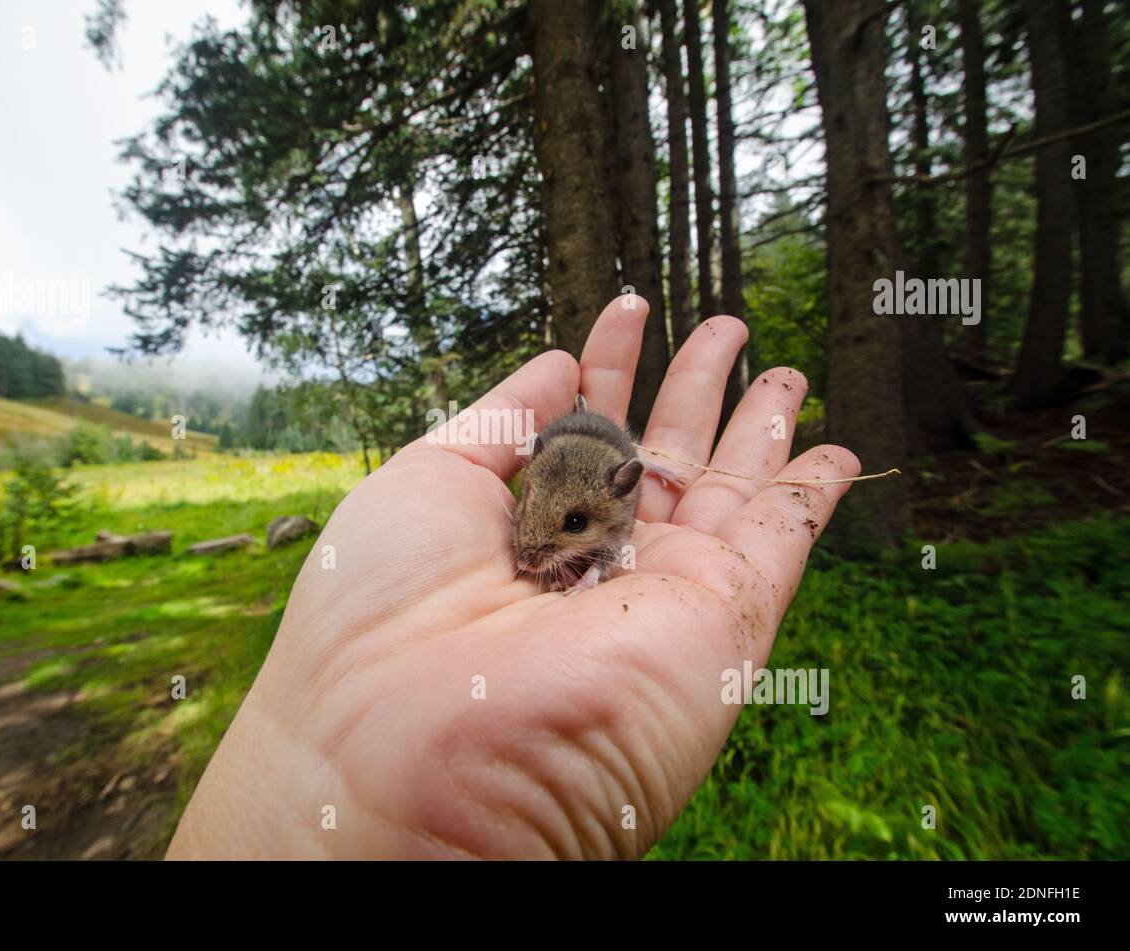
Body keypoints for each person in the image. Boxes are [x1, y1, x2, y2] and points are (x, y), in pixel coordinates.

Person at [167, 295, 860, 859]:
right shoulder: (545, 475)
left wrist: (592, 573)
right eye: (530, 509)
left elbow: (614, 541)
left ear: (624, 495)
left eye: (572, 528)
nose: (529, 553)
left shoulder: (621, 502)